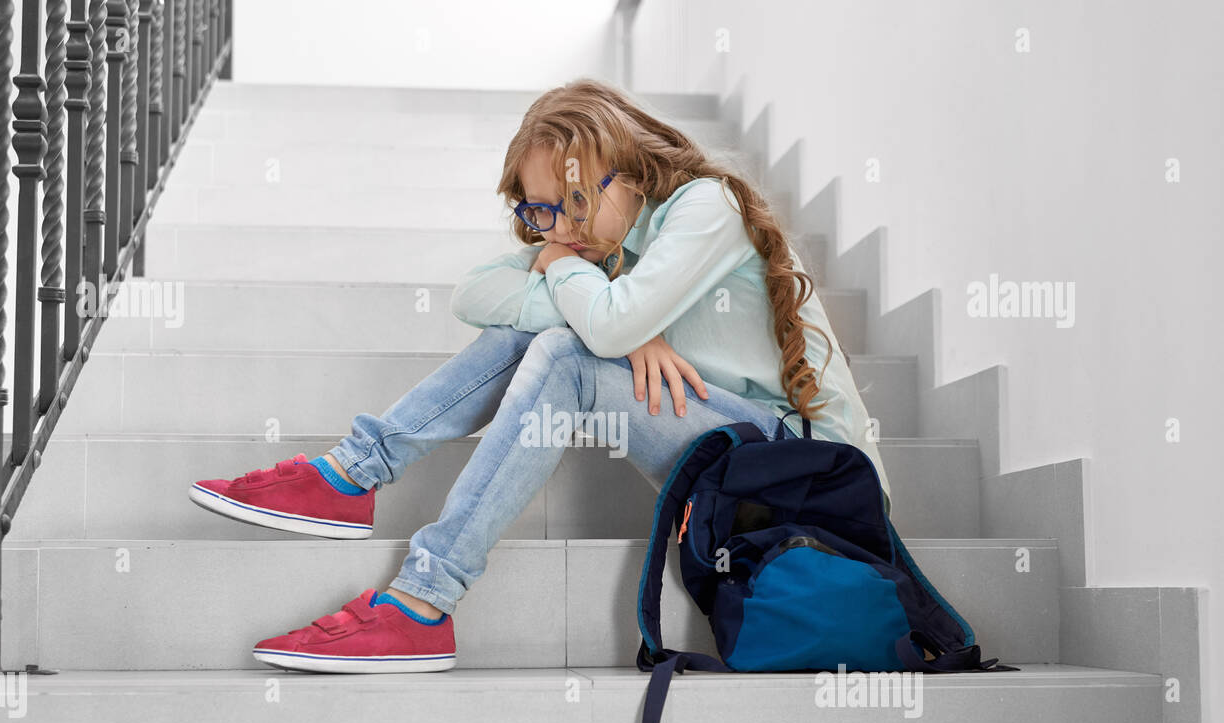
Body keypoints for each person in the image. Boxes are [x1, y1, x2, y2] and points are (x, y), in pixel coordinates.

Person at [188, 77, 891, 674]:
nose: (555, 228)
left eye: (571, 204)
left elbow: (605, 327)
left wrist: (580, 285)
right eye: (538, 212)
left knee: (561, 350)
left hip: (800, 478)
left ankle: (421, 598)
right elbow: (475, 296)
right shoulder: (611, 254)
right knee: (550, 332)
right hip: (724, 460)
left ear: (628, 169)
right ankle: (351, 472)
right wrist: (597, 292)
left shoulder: (705, 209)